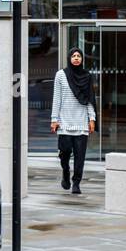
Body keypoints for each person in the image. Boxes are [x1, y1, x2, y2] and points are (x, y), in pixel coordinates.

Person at [50, 47, 96, 194]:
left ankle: (76, 183)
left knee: (80, 156)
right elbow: (56, 99)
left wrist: (92, 119)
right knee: (64, 152)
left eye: (79, 56)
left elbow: (90, 99)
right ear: (69, 58)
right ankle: (65, 172)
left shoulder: (87, 76)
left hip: (81, 122)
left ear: (82, 59)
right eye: (74, 56)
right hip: (64, 122)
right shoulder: (61, 75)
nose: (76, 58)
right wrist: (54, 119)